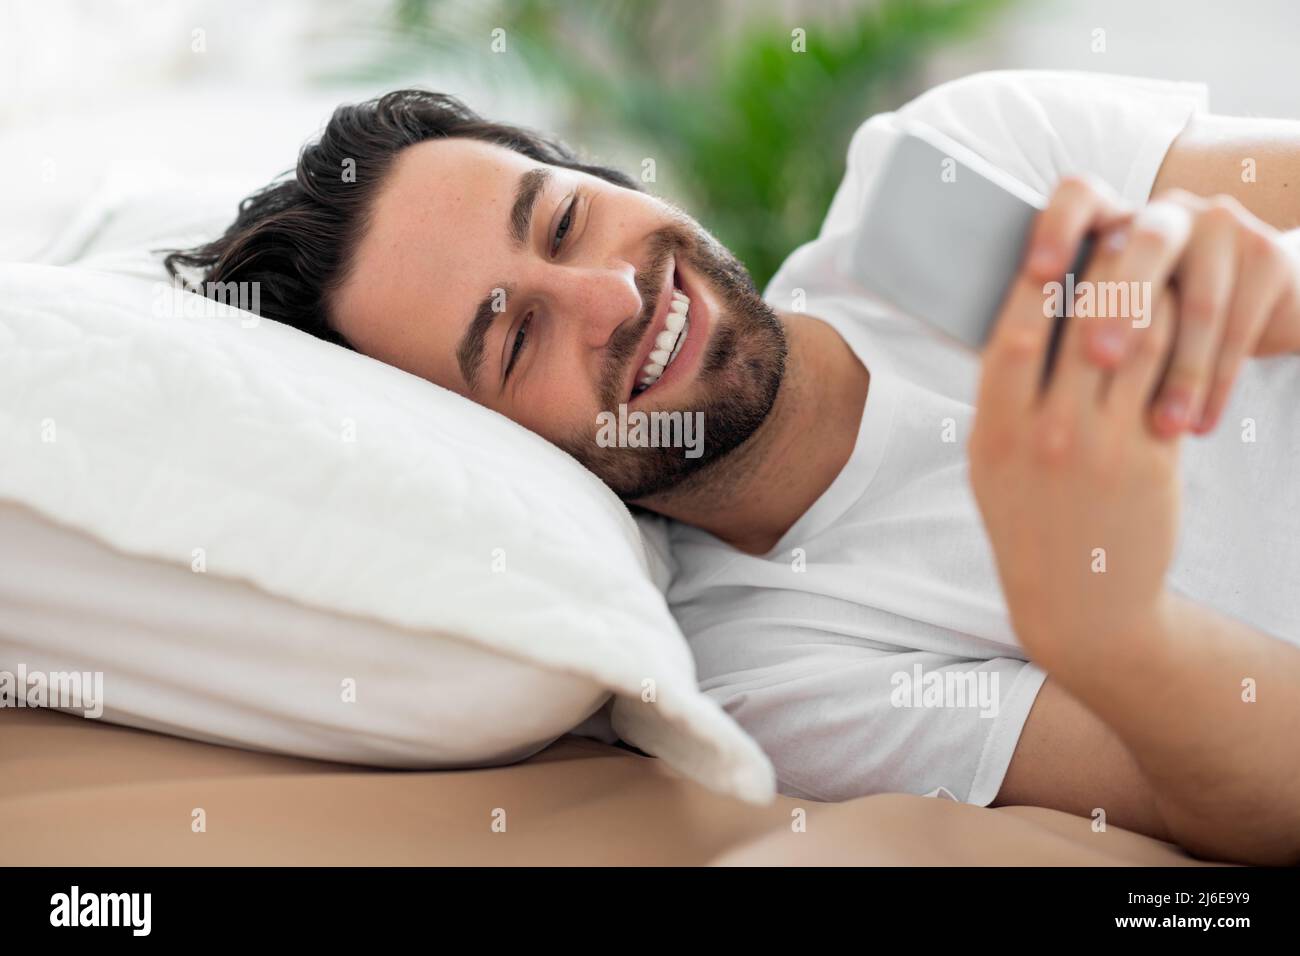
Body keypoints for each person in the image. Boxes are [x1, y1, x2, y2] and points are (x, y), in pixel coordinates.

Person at [167, 71, 1300, 864]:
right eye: (516, 342)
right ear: (493, 451)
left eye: (565, 220)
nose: (613, 299)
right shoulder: (764, 667)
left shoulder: (942, 167)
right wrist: (1106, 628)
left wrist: (1273, 291)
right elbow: (1262, 799)